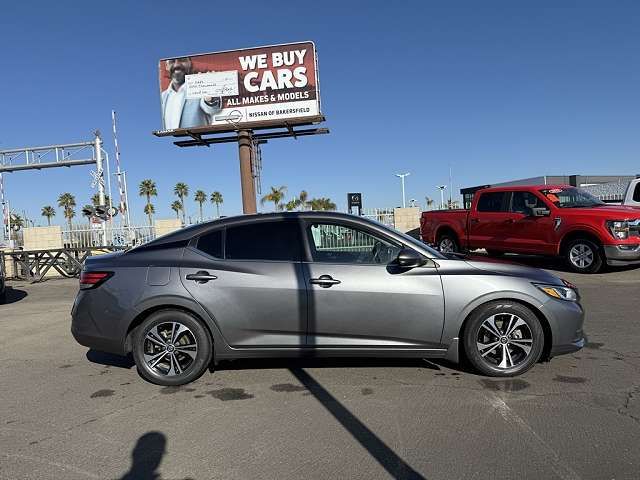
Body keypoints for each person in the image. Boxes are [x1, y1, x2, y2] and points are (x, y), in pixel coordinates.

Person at [161, 57, 221, 130]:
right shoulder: (163, 97)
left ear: (189, 64)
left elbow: (212, 109)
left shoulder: (200, 87)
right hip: (171, 139)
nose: (176, 65)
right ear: (166, 66)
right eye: (172, 62)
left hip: (198, 138)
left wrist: (210, 97)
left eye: (182, 60)